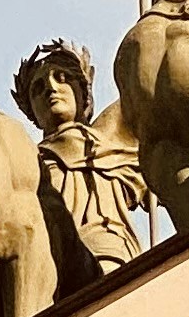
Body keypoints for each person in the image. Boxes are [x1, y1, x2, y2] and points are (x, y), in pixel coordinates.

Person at [16, 37, 149, 284]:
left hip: (108, 249)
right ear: (29, 110)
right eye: (38, 87)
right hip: (50, 266)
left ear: (83, 90)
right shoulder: (26, 163)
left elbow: (149, 83)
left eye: (63, 78)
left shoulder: (111, 135)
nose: (51, 89)